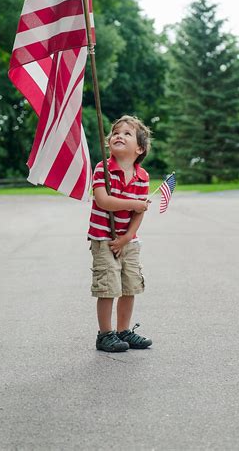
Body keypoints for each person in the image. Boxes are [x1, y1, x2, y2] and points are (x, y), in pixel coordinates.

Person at [88, 115, 153, 353]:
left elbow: (139, 214)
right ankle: (105, 334)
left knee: (129, 286)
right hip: (104, 238)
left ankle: (124, 329)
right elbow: (103, 201)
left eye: (127, 133)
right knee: (108, 286)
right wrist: (133, 204)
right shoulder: (103, 169)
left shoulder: (142, 176)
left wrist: (127, 238)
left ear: (139, 148)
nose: (119, 135)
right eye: (116, 132)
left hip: (128, 240)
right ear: (109, 142)